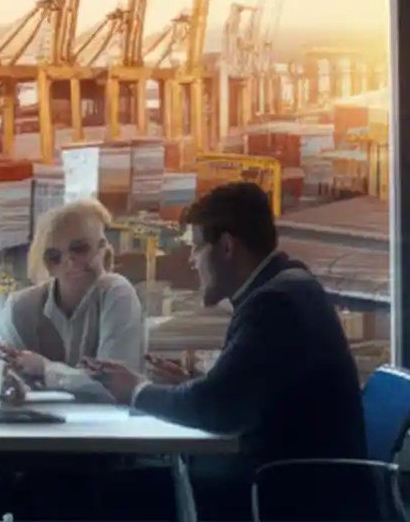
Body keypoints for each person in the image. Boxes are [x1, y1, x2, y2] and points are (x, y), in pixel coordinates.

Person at [88, 182, 368, 521]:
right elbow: (243, 392)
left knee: (112, 494)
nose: (191, 261)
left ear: (226, 246)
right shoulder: (291, 284)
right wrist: (195, 384)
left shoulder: (273, 304)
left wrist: (134, 390)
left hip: (283, 492)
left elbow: (215, 408)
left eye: (196, 248)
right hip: (304, 485)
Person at [0, 198, 145, 401]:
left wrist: (46, 370)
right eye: (54, 256)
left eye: (80, 249)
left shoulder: (116, 292)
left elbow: (116, 388)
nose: (69, 261)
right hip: (41, 428)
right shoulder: (20, 307)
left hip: (108, 429)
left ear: (102, 249)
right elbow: (8, 388)